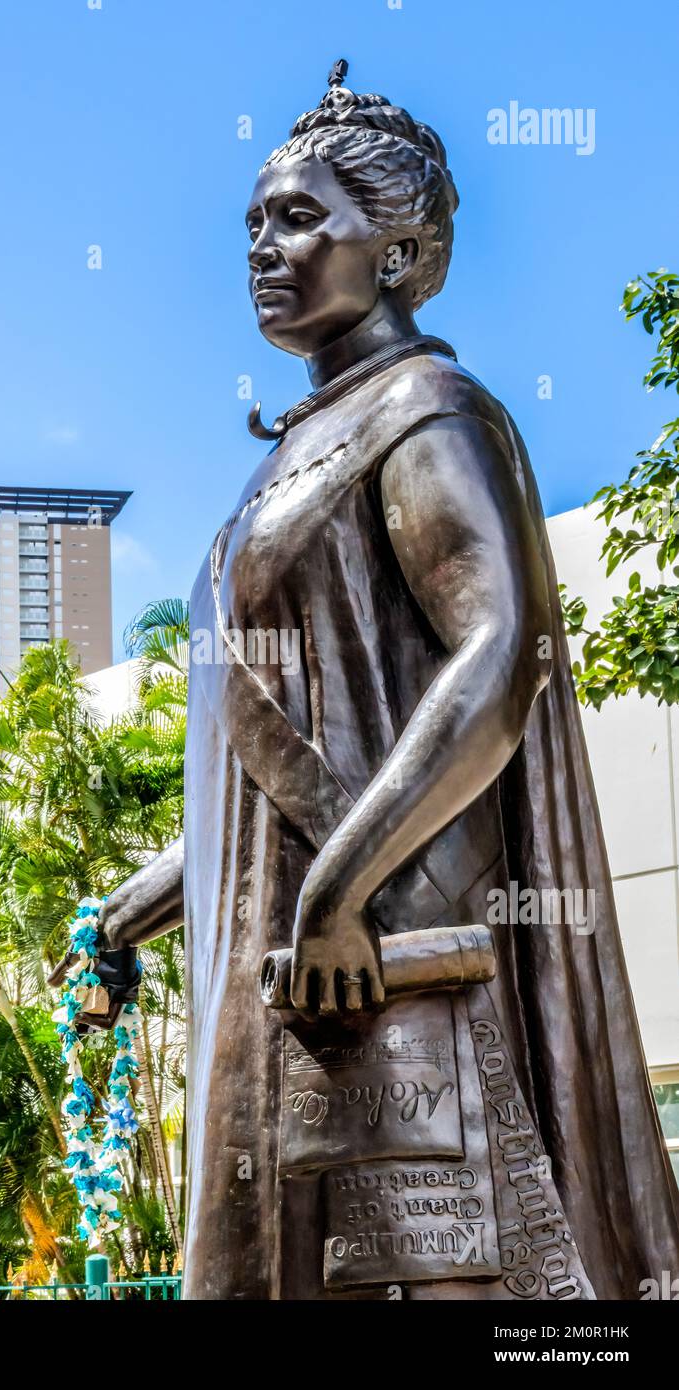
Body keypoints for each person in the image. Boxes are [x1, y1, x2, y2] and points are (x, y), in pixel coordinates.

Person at [65, 62, 679, 1299]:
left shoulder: (426, 410)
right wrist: (138, 905)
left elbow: (494, 659)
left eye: (301, 218)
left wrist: (339, 890)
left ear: (397, 251)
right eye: (252, 223)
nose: (263, 246)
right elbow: (290, 770)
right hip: (296, 970)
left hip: (387, 963)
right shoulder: (288, 458)